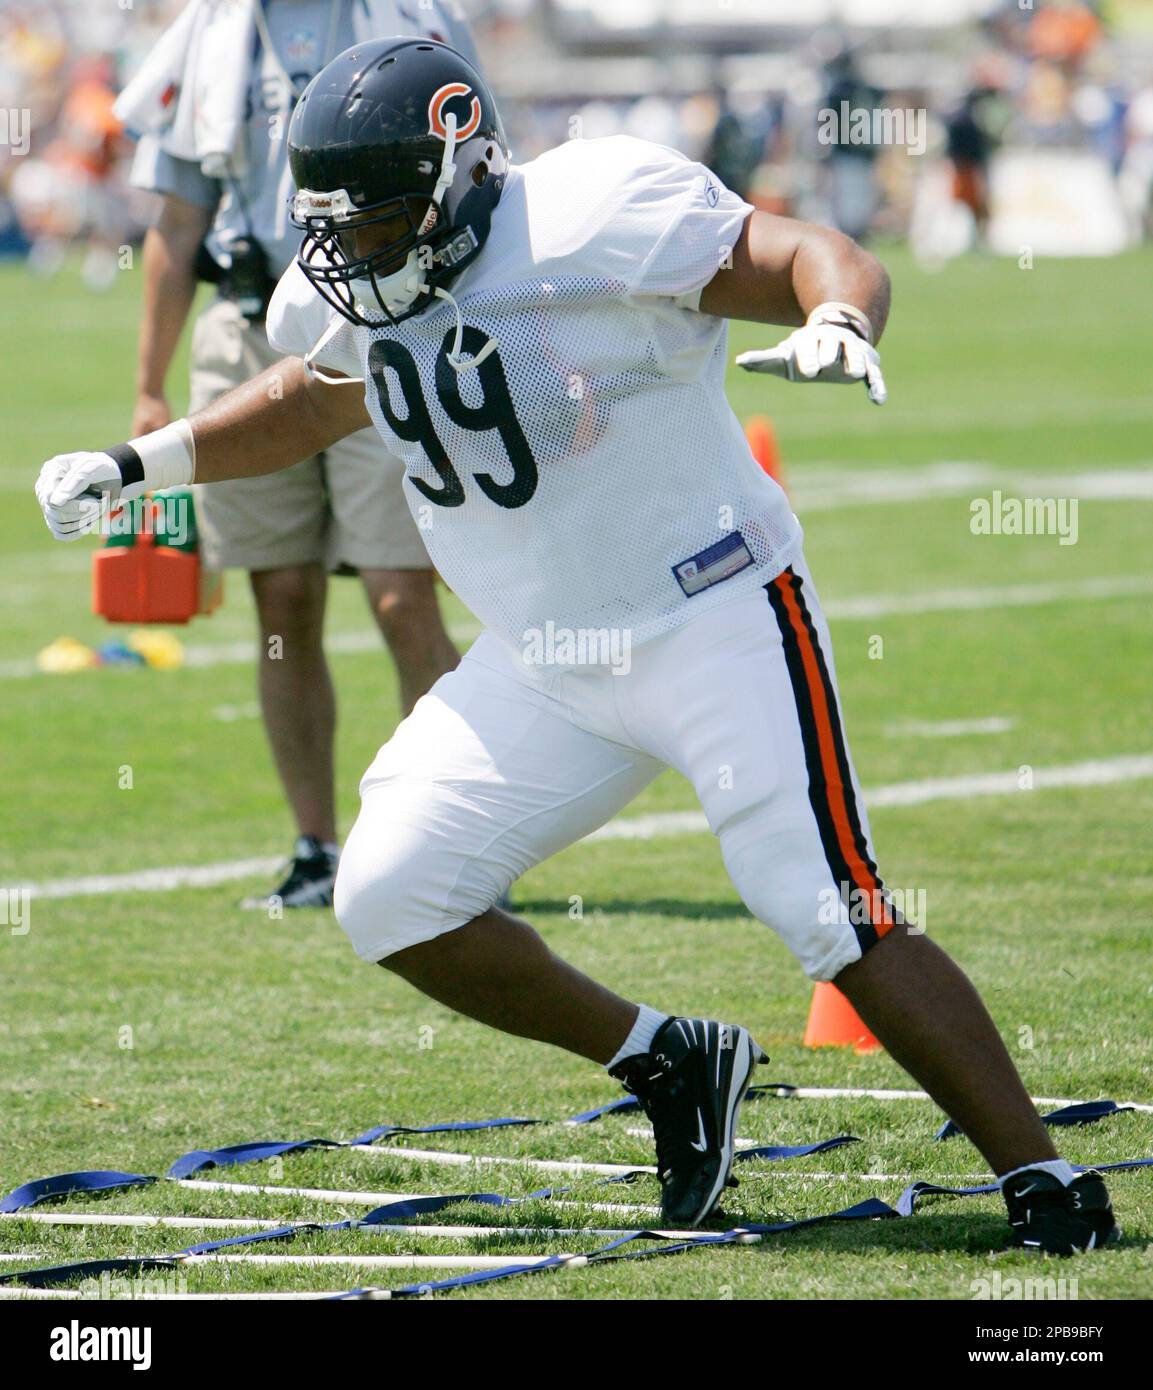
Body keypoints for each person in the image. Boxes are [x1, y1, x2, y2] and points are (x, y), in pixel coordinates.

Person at [36, 40, 1118, 1248]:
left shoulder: (593, 212)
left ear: (460, 170)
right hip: (543, 657)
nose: (359, 250)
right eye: (339, 225)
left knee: (823, 908)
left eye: (385, 218)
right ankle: (667, 1058)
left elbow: (817, 251)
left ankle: (1043, 1176)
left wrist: (836, 316)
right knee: (389, 890)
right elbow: (317, 393)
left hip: (712, 612)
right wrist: (146, 463)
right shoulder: (345, 281)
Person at [123, 1, 467, 908]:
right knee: (280, 597)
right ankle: (315, 847)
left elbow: (478, 168)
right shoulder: (209, 32)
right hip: (245, 326)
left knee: (402, 593)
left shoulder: (412, 15)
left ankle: (452, 842)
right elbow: (177, 220)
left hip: (381, 319)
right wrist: (150, 386)